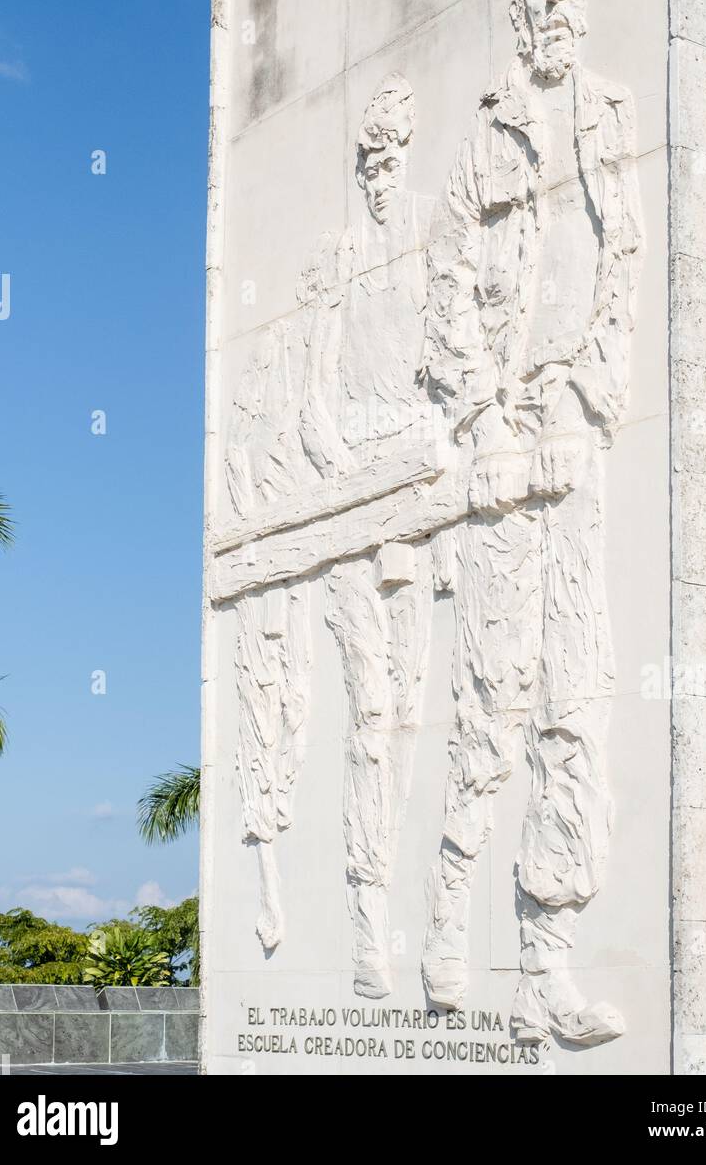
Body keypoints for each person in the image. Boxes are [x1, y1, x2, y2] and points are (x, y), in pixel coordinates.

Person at [420, 0, 645, 1046]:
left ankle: (544, 965)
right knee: (488, 707)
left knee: (575, 708)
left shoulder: (610, 119)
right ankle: (448, 921)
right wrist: (486, 416)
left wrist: (585, 393)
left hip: (573, 446)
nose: (560, 1)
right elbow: (443, 294)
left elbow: (626, 272)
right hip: (501, 452)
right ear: (520, 7)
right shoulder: (483, 136)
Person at [301, 75, 435, 998]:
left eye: (392, 156)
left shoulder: (434, 239)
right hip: (353, 495)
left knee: (420, 715)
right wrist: (339, 456)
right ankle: (364, 923)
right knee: (370, 722)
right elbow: (313, 385)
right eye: (369, 159)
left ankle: (427, 914)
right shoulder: (343, 258)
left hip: (422, 493)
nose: (380, 172)